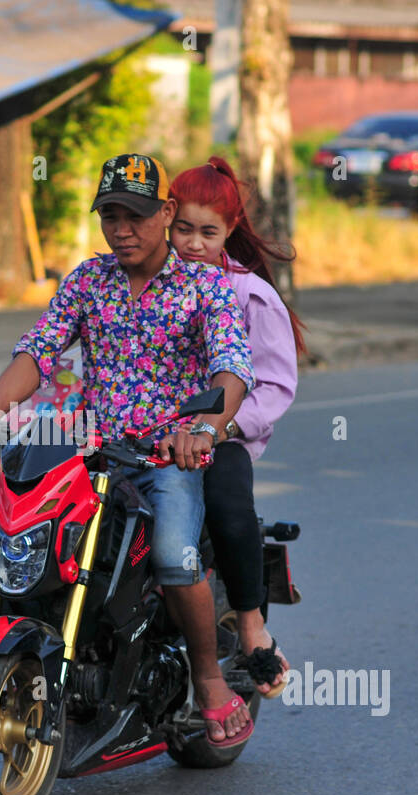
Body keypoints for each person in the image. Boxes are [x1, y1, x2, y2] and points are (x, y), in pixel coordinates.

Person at [0, 153, 258, 747]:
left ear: (166, 213)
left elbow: (232, 370)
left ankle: (208, 682)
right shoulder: (89, 280)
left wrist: (202, 429)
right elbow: (38, 351)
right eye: (111, 215)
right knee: (22, 539)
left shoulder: (206, 287)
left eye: (137, 216)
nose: (122, 228)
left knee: (175, 556)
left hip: (163, 460)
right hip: (90, 455)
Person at [168, 157, 305, 726]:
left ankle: (250, 623)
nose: (194, 244)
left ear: (229, 232)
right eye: (183, 229)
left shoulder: (248, 294)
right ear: (165, 222)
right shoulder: (139, 284)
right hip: (147, 435)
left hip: (224, 439)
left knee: (228, 503)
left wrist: (218, 427)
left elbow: (275, 385)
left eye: (209, 232)